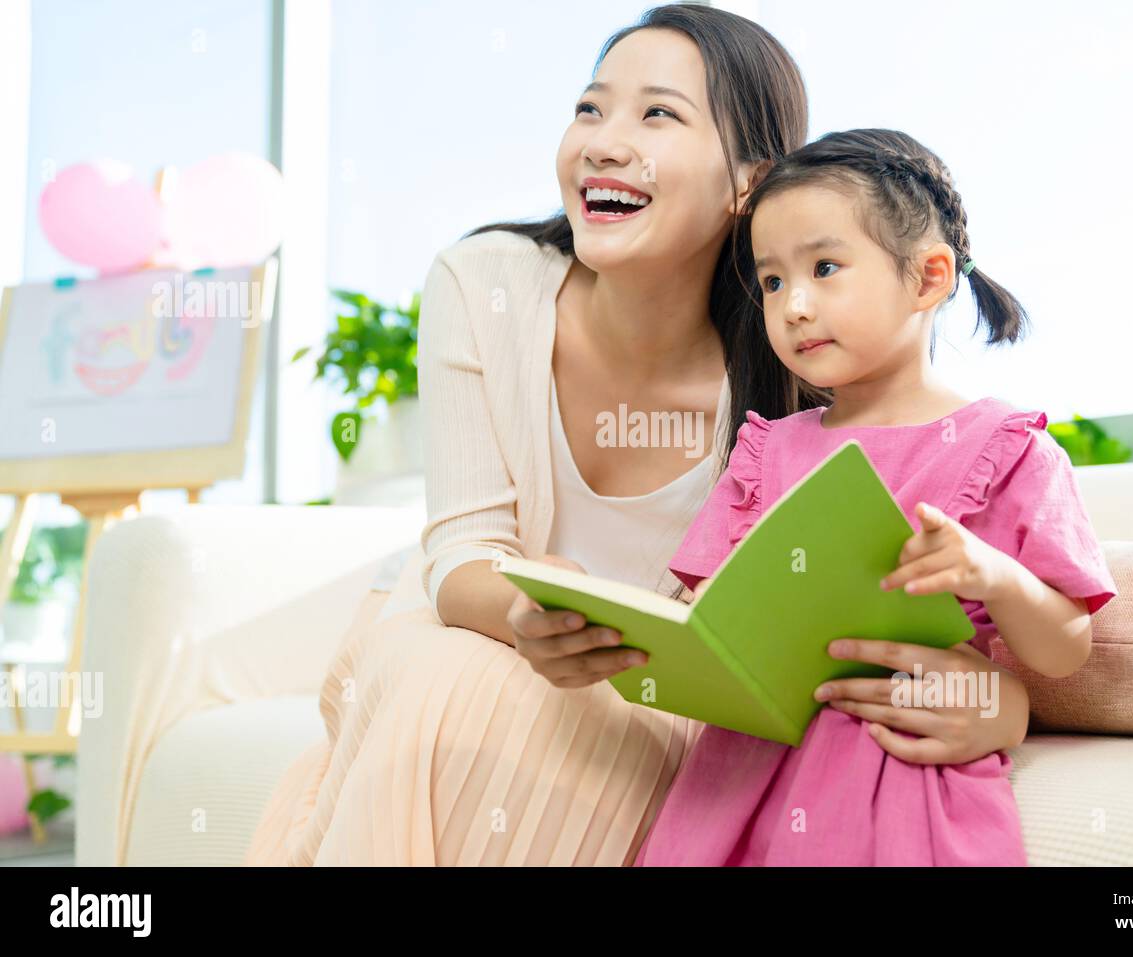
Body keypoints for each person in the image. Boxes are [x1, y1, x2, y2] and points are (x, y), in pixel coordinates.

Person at [244, 9, 1033, 866]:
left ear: (748, 180)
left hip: (649, 704)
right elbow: (466, 552)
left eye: (657, 115)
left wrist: (1006, 705)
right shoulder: (483, 284)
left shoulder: (801, 373)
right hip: (461, 626)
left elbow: (890, 601)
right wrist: (523, 608)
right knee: (449, 680)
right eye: (591, 109)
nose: (604, 143)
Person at [634, 129, 1118, 866]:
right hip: (745, 773)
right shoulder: (768, 449)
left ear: (927, 278)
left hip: (908, 758)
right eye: (771, 282)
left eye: (825, 268)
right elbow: (708, 622)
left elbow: (1063, 649)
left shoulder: (1008, 446)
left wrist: (993, 573)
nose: (793, 306)